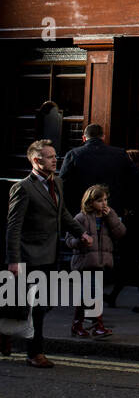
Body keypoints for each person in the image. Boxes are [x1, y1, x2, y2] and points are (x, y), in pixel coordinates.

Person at [5, 139, 85, 368]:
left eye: (54, 155)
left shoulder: (57, 182)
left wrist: (81, 233)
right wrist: (13, 260)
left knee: (43, 305)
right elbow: (13, 227)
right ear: (36, 160)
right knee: (34, 307)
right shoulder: (23, 188)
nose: (55, 160)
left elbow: (63, 214)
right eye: (50, 157)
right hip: (29, 256)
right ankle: (34, 353)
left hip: (51, 255)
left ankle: (7, 335)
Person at [68, 185, 121, 339]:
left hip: (100, 262)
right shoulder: (81, 218)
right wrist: (81, 241)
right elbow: (69, 240)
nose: (104, 204)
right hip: (84, 262)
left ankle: (79, 325)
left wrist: (111, 216)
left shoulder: (108, 216)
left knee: (91, 294)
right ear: (90, 202)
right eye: (99, 200)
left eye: (105, 200)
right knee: (92, 293)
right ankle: (96, 326)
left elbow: (120, 232)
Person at [59, 124, 139, 218]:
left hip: (82, 211)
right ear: (103, 137)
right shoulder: (120, 154)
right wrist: (127, 205)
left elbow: (63, 183)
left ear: (84, 138)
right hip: (112, 209)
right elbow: (136, 180)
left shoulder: (74, 154)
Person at [106, 150, 139, 313]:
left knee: (133, 263)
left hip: (135, 226)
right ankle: (113, 295)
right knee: (128, 263)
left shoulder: (138, 178)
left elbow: (135, 200)